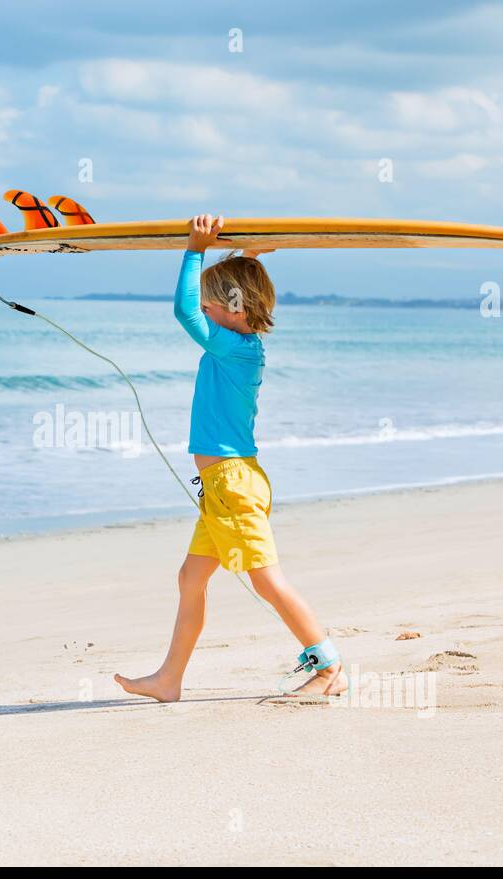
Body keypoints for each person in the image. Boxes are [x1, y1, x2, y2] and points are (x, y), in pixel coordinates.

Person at [115, 214, 347, 702]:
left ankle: (329, 666)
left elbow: (183, 313)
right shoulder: (242, 345)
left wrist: (194, 250)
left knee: (267, 581)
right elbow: (213, 304)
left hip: (232, 484)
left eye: (211, 301)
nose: (202, 306)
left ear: (233, 308)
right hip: (225, 485)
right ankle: (169, 679)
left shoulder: (232, 349)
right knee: (190, 578)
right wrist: (245, 258)